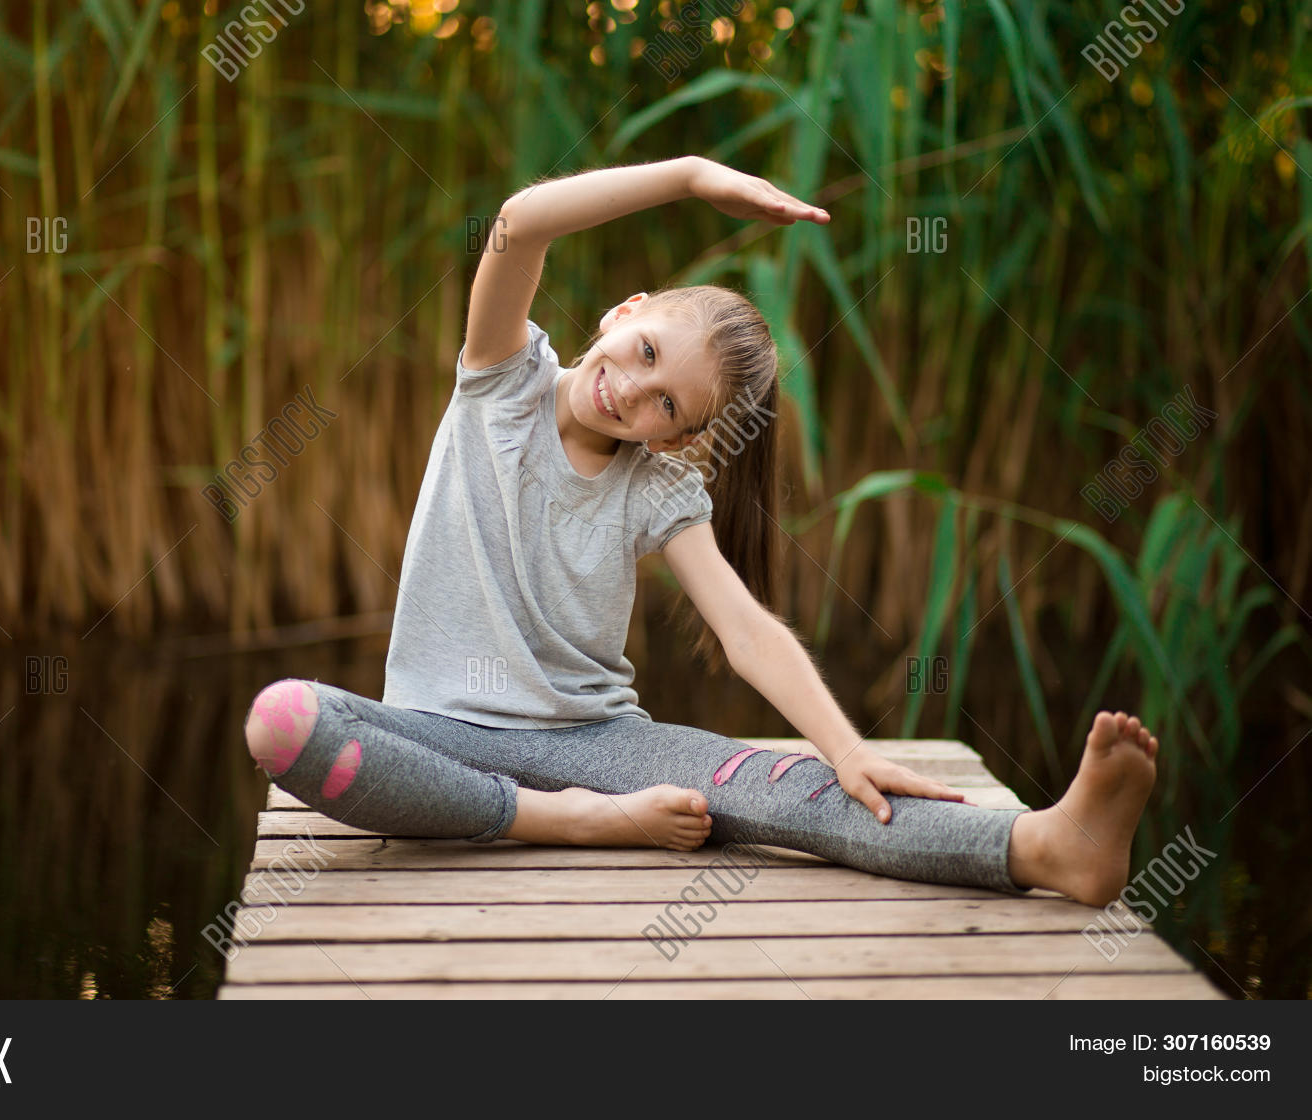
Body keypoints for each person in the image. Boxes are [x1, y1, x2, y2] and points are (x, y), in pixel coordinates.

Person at [244, 155, 1159, 906]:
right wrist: (685, 176)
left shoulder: (658, 492)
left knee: (787, 789)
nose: (632, 390)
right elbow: (522, 223)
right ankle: (560, 820)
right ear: (624, 311)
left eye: (666, 404)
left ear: (679, 438)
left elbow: (747, 630)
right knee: (285, 724)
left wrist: (844, 750)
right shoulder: (500, 384)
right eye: (643, 353)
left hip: (596, 743)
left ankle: (1046, 846)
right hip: (438, 732)